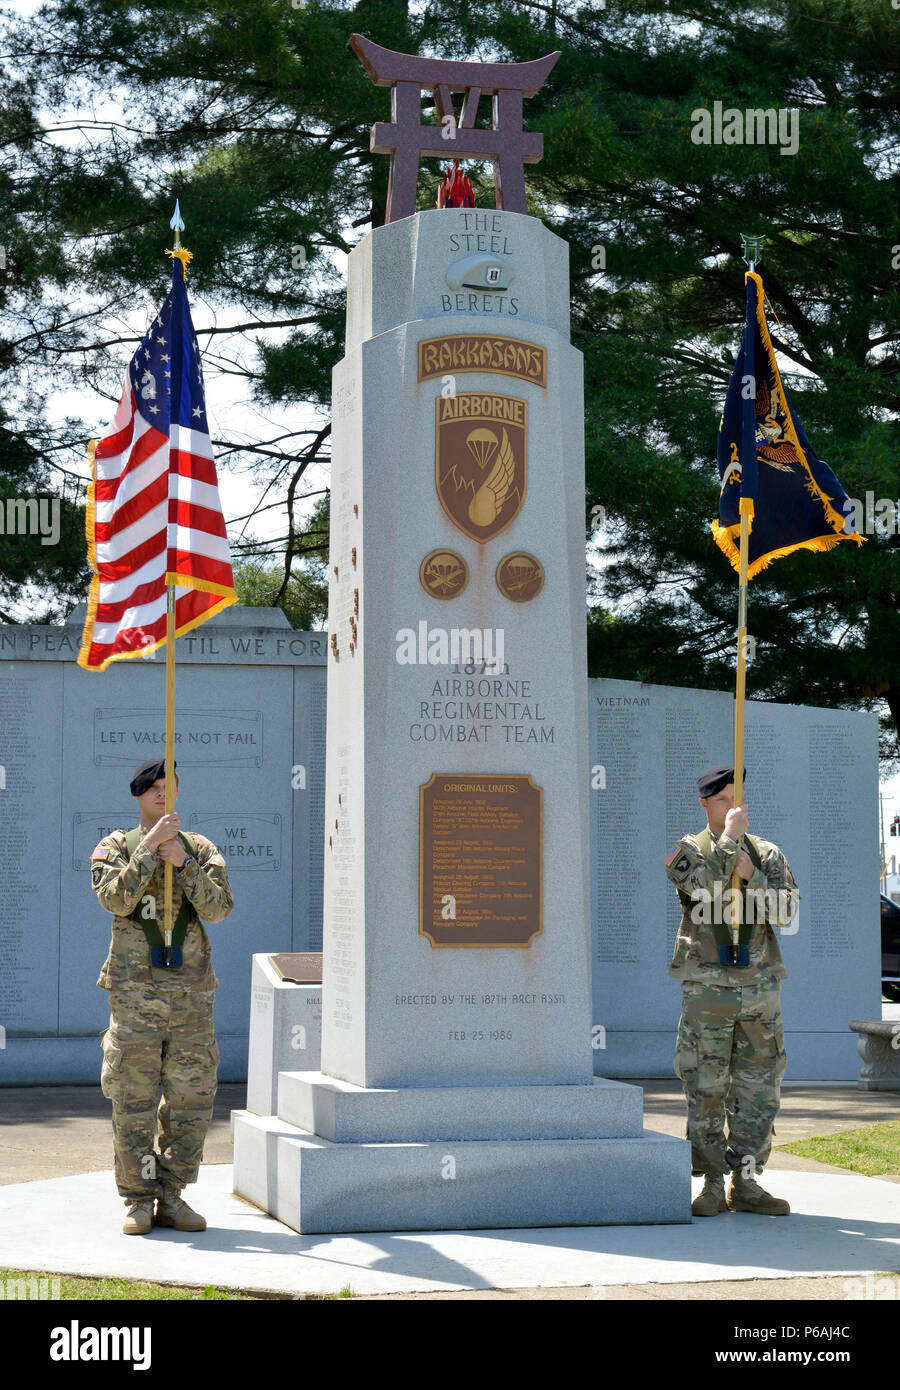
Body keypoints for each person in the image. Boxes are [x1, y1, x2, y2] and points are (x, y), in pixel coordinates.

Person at [91, 758, 234, 1235]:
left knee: (190, 1101)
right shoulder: (115, 847)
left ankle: (172, 1195)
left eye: (168, 786)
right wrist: (150, 851)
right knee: (133, 1100)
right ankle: (138, 1197)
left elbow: (218, 909)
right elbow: (114, 899)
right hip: (135, 998)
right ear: (137, 794)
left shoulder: (200, 848)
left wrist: (184, 864)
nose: (160, 793)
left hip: (191, 999)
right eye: (151, 787)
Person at [665, 764, 798, 1218]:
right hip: (708, 990)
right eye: (722, 800)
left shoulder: (766, 854)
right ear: (704, 803)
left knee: (759, 1089)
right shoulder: (686, 852)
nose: (732, 808)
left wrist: (754, 876)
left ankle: (746, 1181)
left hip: (759, 990)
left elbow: (787, 913)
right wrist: (727, 845)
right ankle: (710, 1182)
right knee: (706, 1087)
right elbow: (705, 894)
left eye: (737, 800)